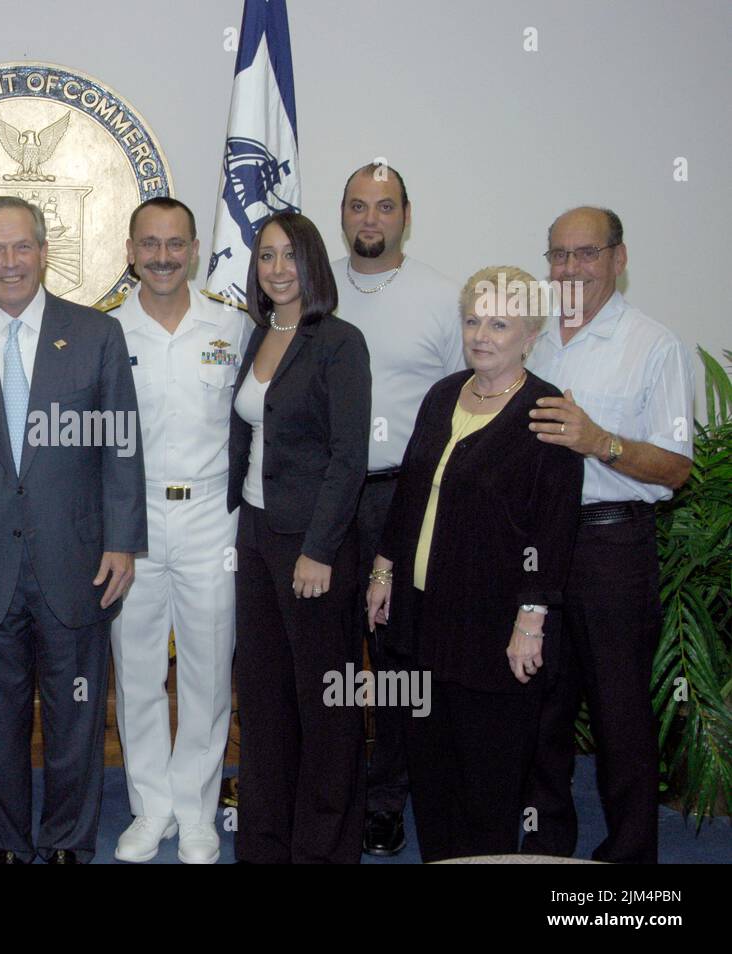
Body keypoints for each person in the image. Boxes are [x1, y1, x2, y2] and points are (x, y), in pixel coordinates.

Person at [0, 195, 146, 864]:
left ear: (44, 252)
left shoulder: (97, 335)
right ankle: (5, 844)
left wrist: (123, 540)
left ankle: (70, 841)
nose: (10, 261)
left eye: (22, 247)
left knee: (76, 715)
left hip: (77, 561)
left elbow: (120, 449)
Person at [366, 266, 583, 861]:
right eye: (472, 320)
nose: (481, 335)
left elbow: (554, 529)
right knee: (431, 770)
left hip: (496, 629)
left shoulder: (548, 412)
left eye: (499, 323)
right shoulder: (444, 395)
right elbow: (411, 492)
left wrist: (531, 620)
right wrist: (383, 569)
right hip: (421, 619)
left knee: (487, 783)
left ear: (530, 334)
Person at [523, 208, 694, 864]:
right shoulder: (535, 340)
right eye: (559, 255)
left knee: (620, 715)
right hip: (540, 548)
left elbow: (676, 468)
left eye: (585, 254)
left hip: (612, 547)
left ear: (618, 260)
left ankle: (628, 862)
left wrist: (605, 443)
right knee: (542, 708)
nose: (570, 268)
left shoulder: (654, 346)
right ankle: (545, 848)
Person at [109, 198, 250, 864]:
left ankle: (197, 811)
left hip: (210, 519)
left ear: (194, 249)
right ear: (131, 250)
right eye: (149, 244)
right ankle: (151, 808)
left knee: (206, 671)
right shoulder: (106, 332)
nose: (162, 256)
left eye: (175, 244)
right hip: (131, 521)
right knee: (136, 671)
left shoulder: (233, 326)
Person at [228, 211, 371, 863]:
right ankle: (265, 844)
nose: (277, 268)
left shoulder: (339, 342)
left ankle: (323, 847)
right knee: (263, 699)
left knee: (325, 703)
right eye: (265, 256)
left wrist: (318, 550)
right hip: (255, 537)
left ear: (312, 263)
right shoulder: (256, 336)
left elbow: (348, 455)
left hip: (313, 545)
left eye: (289, 255)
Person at [333, 161, 466, 856]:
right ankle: (331, 790)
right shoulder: (314, 290)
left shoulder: (442, 297)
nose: (370, 220)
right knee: (324, 650)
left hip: (405, 495)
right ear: (343, 214)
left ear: (406, 216)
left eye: (385, 207)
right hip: (327, 496)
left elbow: (460, 410)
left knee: (395, 657)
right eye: (358, 206)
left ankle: (386, 799)